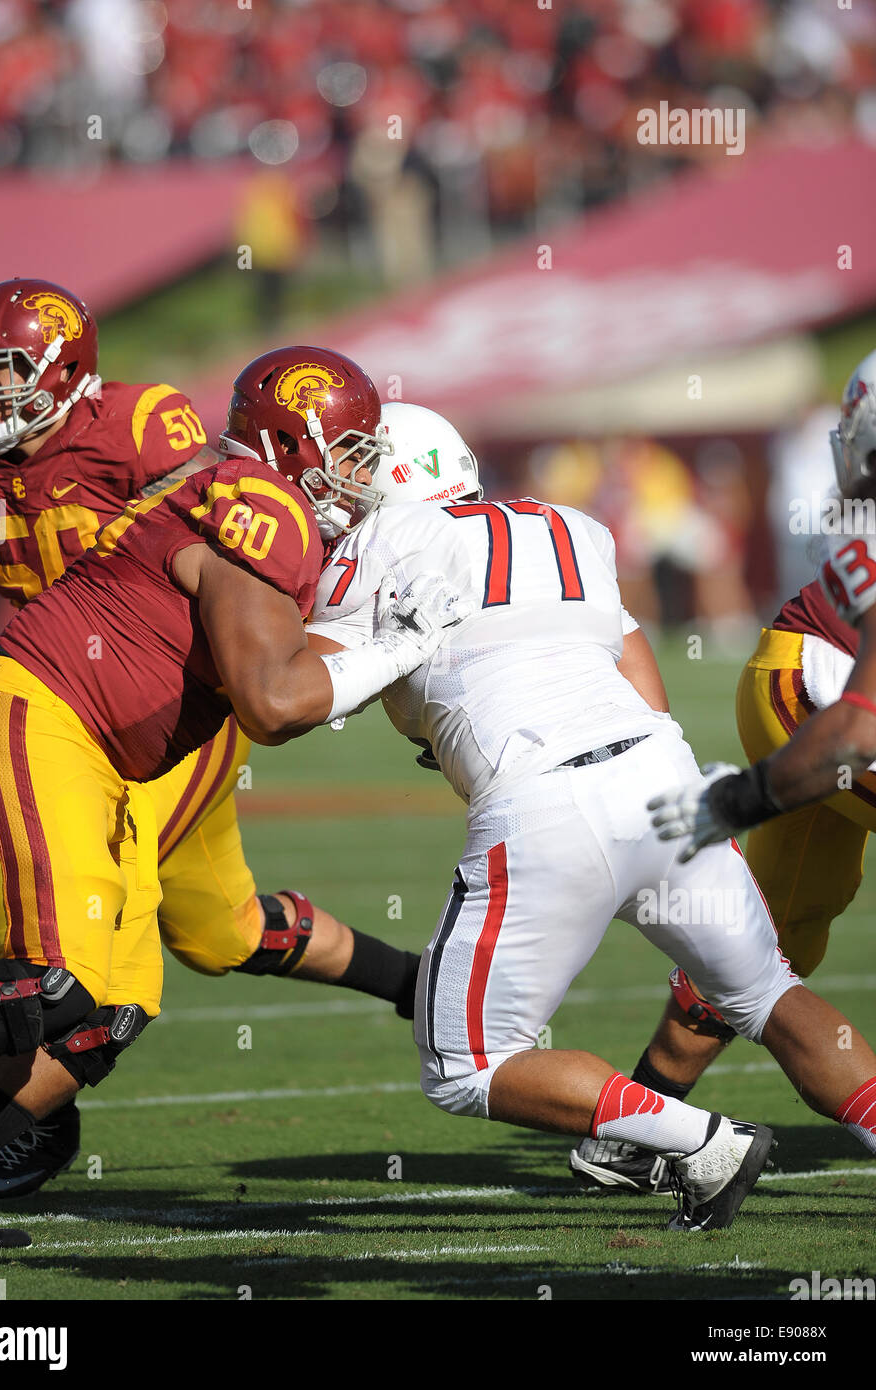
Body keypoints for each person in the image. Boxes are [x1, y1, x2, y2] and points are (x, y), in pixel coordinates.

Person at [0, 346, 464, 1251]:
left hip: (106, 756)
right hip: (38, 715)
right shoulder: (265, 503)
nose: (361, 475)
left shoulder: (258, 501)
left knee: (109, 1010)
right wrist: (400, 647)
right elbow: (273, 704)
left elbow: (289, 675)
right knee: (51, 982)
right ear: (294, 442)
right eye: (351, 450)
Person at [302, 400, 876, 1233]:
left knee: (465, 1063)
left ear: (392, 478)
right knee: (764, 993)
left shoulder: (379, 543)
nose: (337, 496)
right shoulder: (565, 526)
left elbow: (295, 697)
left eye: (355, 475)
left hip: (545, 800)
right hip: (664, 777)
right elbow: (642, 677)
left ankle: (701, 1141)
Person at [571, 350, 876, 1193]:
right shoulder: (862, 525)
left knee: (770, 933)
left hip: (834, 699)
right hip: (815, 692)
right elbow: (859, 719)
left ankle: (639, 1123)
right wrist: (742, 798)